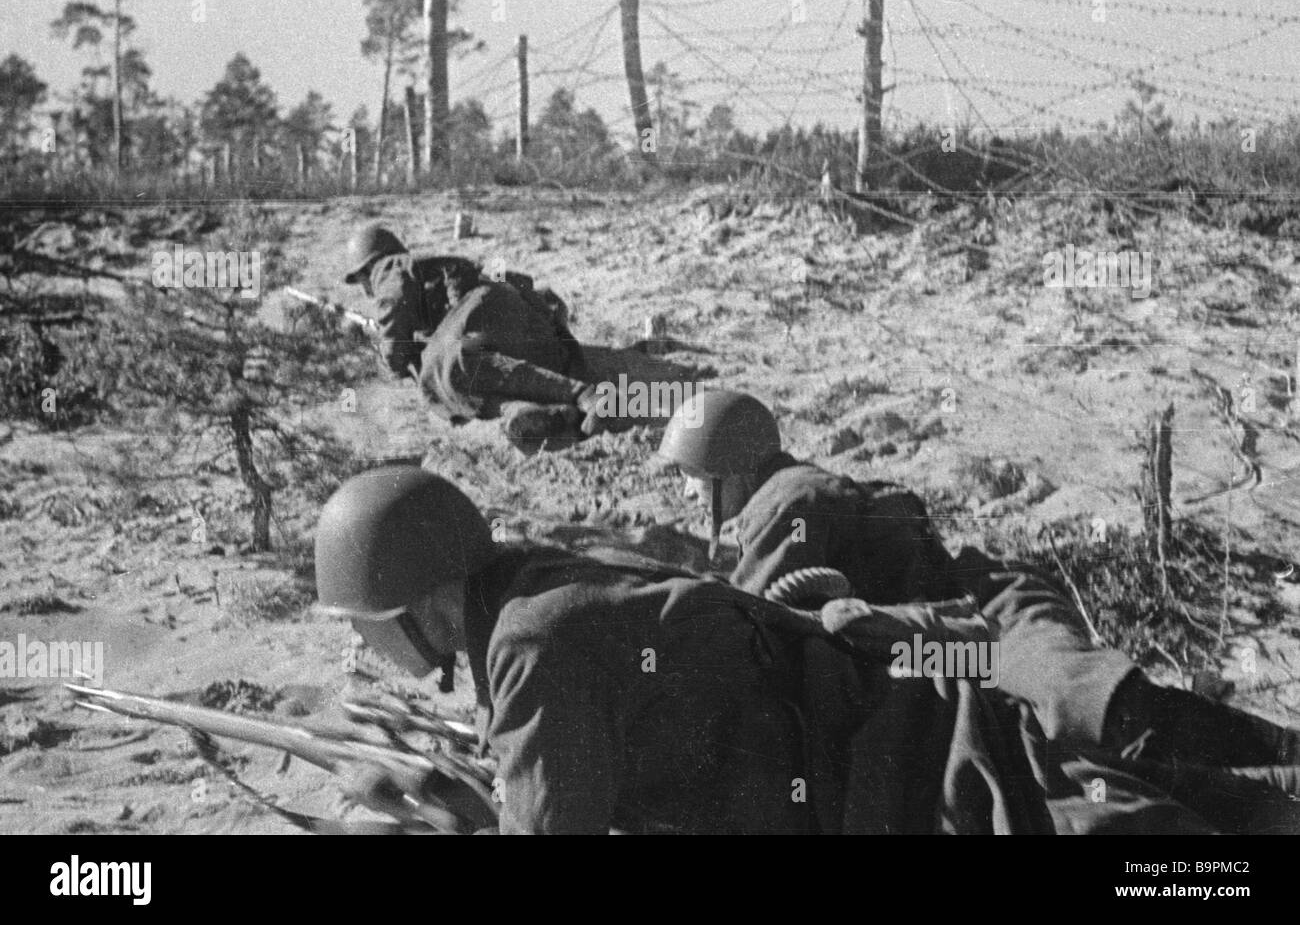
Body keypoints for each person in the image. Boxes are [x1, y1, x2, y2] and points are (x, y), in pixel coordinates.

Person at [314, 465, 1078, 834]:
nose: (359, 639)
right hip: (884, 726)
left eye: (363, 620)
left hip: (901, 779)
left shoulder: (530, 646)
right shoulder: (529, 585)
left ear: (415, 600)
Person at [657, 389, 1300, 772]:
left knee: (1097, 708)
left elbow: (751, 620)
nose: (686, 492)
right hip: (948, 625)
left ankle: (1280, 754)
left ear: (728, 469)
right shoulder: (783, 494)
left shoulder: (786, 502)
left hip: (991, 612)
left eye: (691, 476)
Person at [342, 223, 602, 451]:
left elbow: (394, 306)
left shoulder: (390, 266)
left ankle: (583, 394)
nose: (367, 291)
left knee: (445, 366)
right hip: (525, 334)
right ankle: (525, 410)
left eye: (362, 281)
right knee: (452, 380)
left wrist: (388, 350)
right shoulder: (424, 279)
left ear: (369, 268)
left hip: (498, 313)